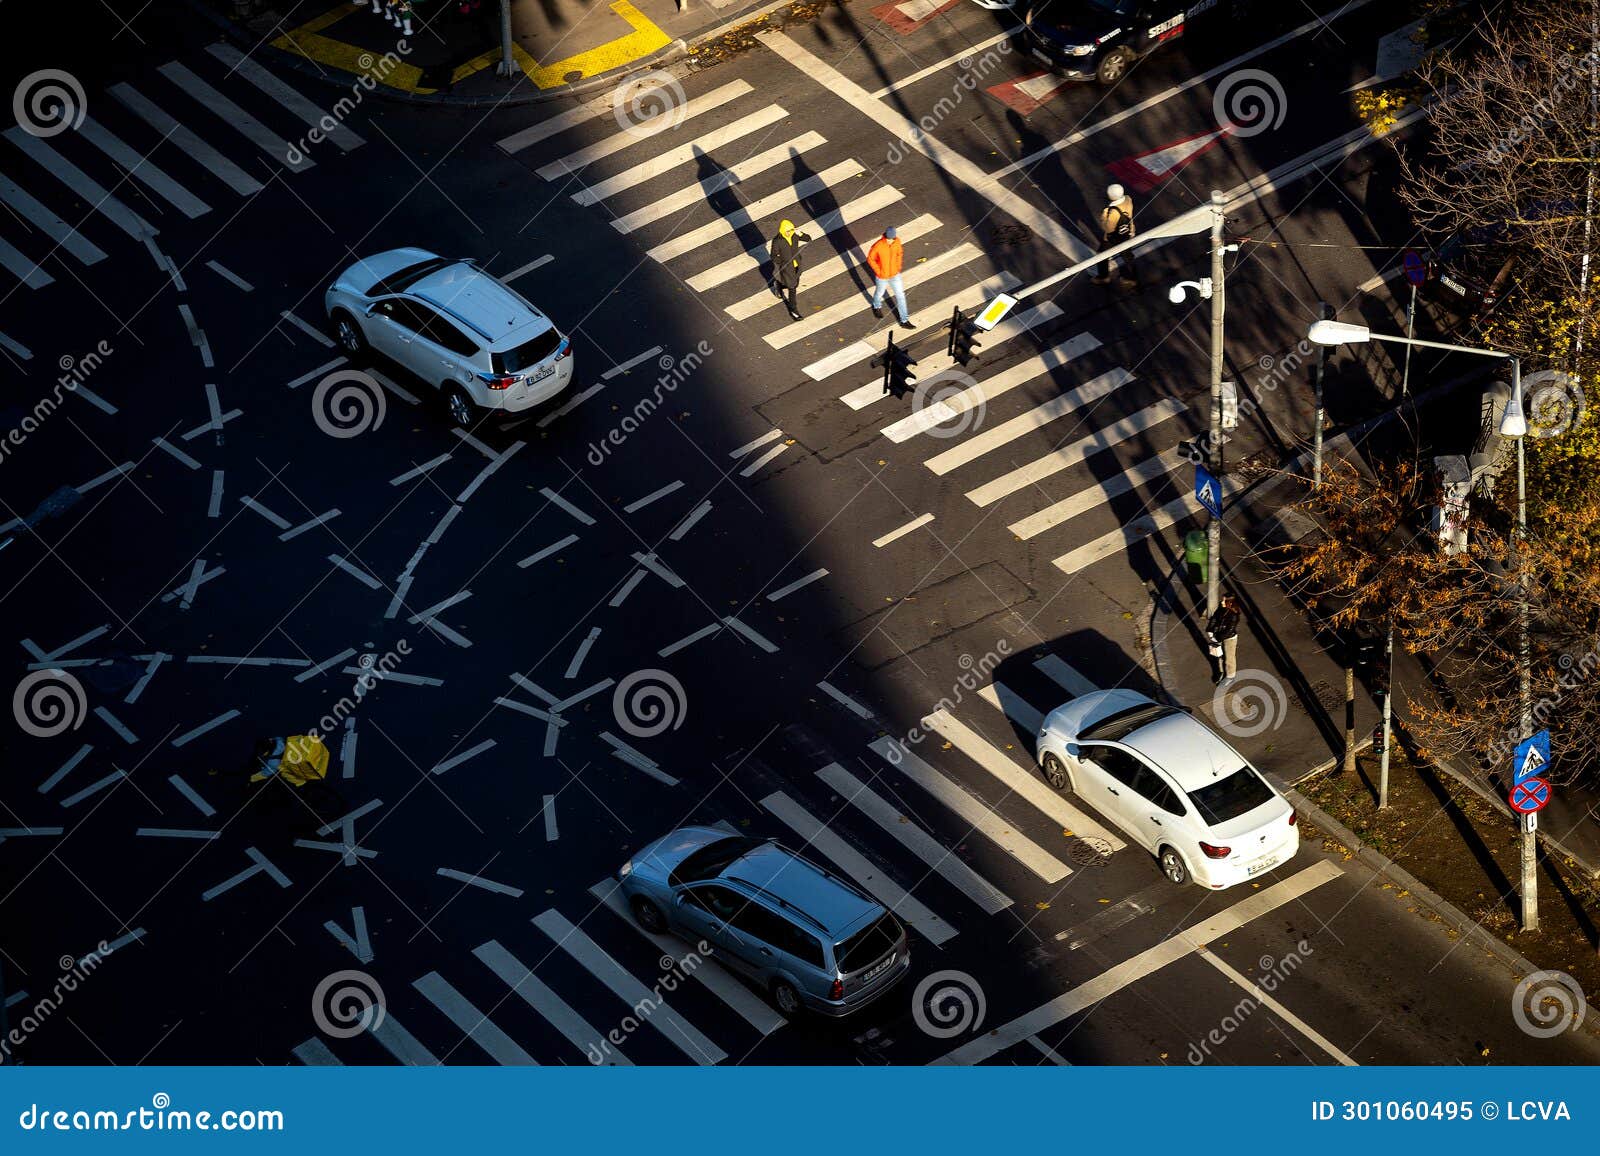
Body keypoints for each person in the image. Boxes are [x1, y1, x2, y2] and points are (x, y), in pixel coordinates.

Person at [1093, 183, 1139, 289]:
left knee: (1101, 255)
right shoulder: (1128, 199)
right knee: (1128, 256)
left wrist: (1105, 214)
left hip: (1113, 238)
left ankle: (1103, 277)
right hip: (1127, 232)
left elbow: (1107, 228)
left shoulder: (1113, 212)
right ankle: (1132, 278)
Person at [867, 227, 914, 327]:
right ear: (885, 236)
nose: (890, 241)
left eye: (892, 238)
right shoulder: (878, 245)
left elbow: (899, 254)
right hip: (882, 276)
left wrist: (898, 267)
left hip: (895, 274)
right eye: (889, 238)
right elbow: (870, 259)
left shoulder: (897, 242)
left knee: (901, 296)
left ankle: (904, 320)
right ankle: (876, 306)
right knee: (880, 293)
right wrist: (879, 271)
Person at [769, 219, 810, 322]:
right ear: (782, 230)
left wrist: (800, 233)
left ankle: (779, 285)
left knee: (794, 284)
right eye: (787, 231)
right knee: (792, 288)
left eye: (790, 230)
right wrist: (782, 263)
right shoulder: (778, 241)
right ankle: (794, 311)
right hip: (787, 268)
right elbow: (773, 256)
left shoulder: (794, 235)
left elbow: (808, 239)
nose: (789, 232)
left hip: (797, 265)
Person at [1206, 593, 1241, 686]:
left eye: (1224, 600)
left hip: (1229, 639)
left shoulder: (1234, 615)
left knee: (1229, 659)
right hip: (1218, 636)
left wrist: (1217, 638)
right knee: (1219, 656)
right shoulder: (1221, 608)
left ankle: (1230, 676)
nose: (1222, 602)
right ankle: (1221, 672)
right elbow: (1214, 618)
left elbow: (1229, 631)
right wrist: (1210, 629)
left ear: (1230, 603)